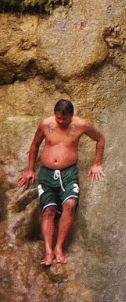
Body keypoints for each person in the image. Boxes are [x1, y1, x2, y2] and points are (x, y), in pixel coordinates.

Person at [15, 99, 105, 268]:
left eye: (65, 119)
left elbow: (100, 139)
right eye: (58, 118)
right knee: (48, 210)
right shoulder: (46, 124)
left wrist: (97, 163)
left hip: (68, 173)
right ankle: (48, 250)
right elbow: (35, 145)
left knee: (70, 204)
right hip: (47, 174)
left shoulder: (82, 125)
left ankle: (59, 248)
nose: (61, 121)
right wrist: (30, 169)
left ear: (71, 115)